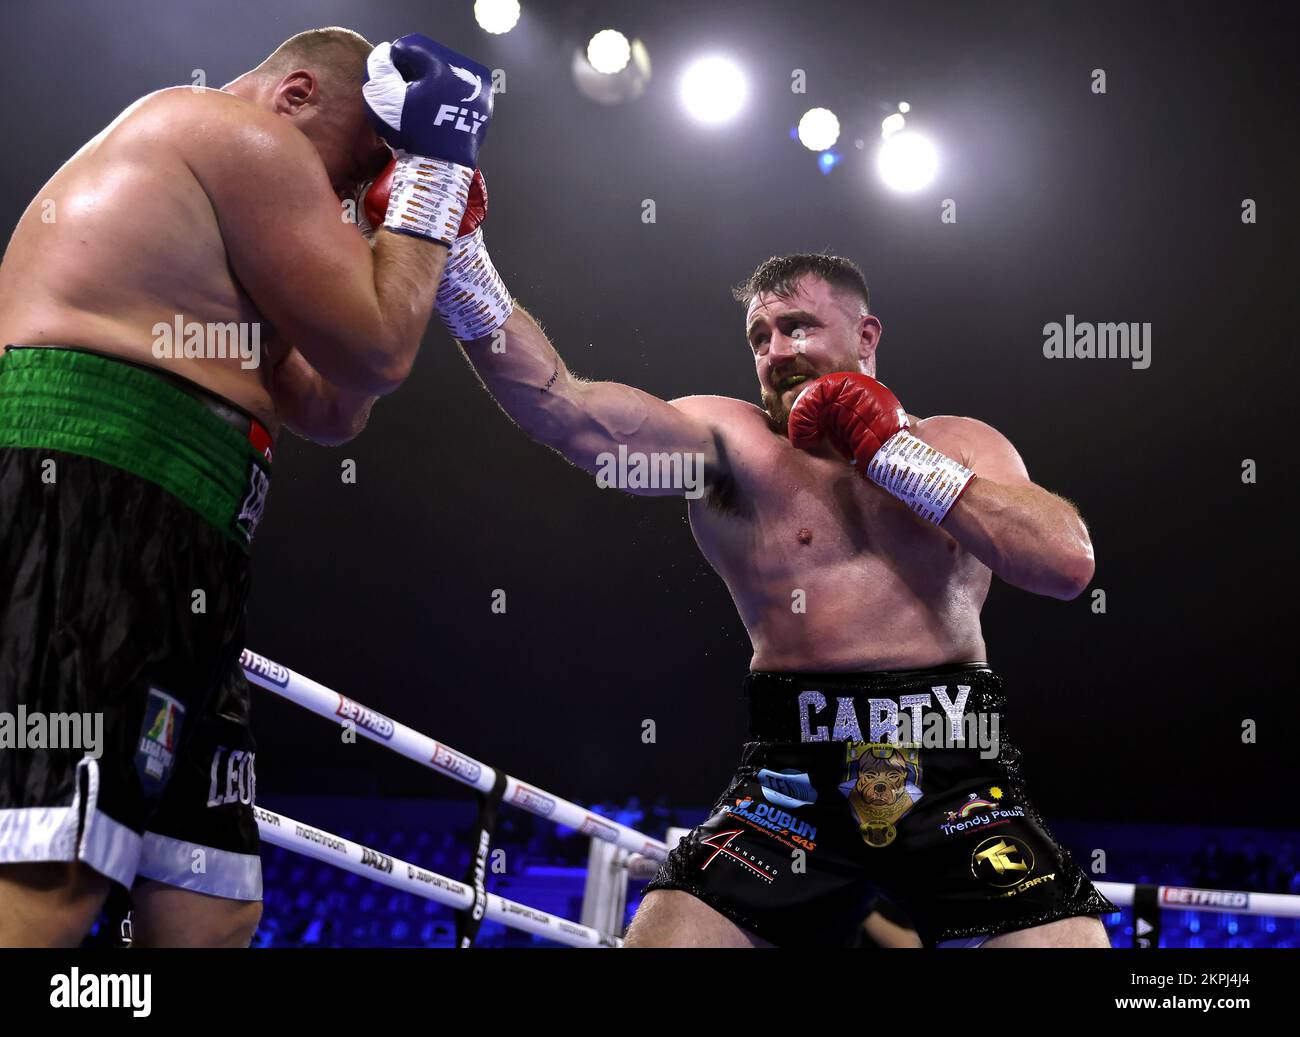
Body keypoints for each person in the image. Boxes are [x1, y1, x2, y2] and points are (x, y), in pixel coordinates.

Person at [382, 213, 1113, 944]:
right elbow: (565, 412)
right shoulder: (730, 446)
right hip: (789, 783)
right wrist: (464, 264)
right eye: (760, 338)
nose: (776, 351)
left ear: (867, 337)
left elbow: (1065, 563)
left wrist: (899, 459)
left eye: (797, 327)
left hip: (956, 772)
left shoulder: (960, 441)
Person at [0, 27, 493, 947]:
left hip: (183, 543)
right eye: (350, 175)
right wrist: (433, 177)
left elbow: (336, 403)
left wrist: (400, 225)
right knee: (52, 871)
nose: (342, 202)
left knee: (209, 908)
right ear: (296, 94)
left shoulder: (223, 241)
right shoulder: (235, 132)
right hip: (89, 499)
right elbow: (384, 344)